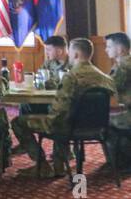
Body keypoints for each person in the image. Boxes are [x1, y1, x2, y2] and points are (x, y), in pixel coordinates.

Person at [12, 37, 115, 179]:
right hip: (97, 126)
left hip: (70, 126)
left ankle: (42, 166)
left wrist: (48, 119)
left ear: (76, 55)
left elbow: (60, 111)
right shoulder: (106, 78)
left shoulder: (71, 77)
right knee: (64, 118)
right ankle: (59, 164)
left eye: (71, 52)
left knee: (18, 122)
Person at [105, 31, 131, 168]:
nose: (105, 50)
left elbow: (109, 88)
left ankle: (120, 162)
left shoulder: (123, 67)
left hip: (126, 114)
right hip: (126, 110)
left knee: (98, 122)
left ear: (120, 49)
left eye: (109, 47)